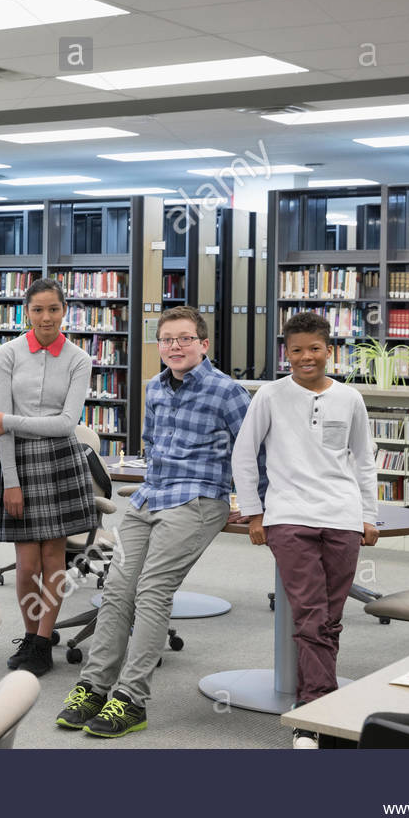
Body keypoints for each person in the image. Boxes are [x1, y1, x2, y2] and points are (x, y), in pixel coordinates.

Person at [55, 306, 250, 737]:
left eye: (184, 338)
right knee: (117, 589)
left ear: (203, 343)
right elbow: (152, 443)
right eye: (166, 340)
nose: (174, 347)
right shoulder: (155, 388)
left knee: (152, 590)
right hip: (150, 498)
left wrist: (255, 505)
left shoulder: (228, 392)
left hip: (196, 499)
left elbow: (255, 452)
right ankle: (93, 685)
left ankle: (131, 698)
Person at [231, 310, 378, 749]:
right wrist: (254, 513)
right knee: (312, 615)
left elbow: (364, 460)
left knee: (329, 619)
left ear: (328, 350)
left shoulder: (350, 398)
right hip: (289, 517)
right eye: (296, 350)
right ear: (286, 353)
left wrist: (367, 515)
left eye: (314, 348)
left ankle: (316, 709)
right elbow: (243, 455)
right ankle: (314, 716)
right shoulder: (270, 396)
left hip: (342, 517)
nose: (306, 357)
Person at [0, 278, 98, 677]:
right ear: (26, 312)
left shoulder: (78, 359)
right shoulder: (8, 354)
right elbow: (2, 433)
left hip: (59, 461)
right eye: (38, 310)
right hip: (18, 462)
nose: (46, 317)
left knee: (54, 558)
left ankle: (41, 643)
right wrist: (11, 481)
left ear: (64, 309)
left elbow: (67, 423)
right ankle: (31, 634)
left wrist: (10, 421)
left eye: (53, 309)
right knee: (26, 562)